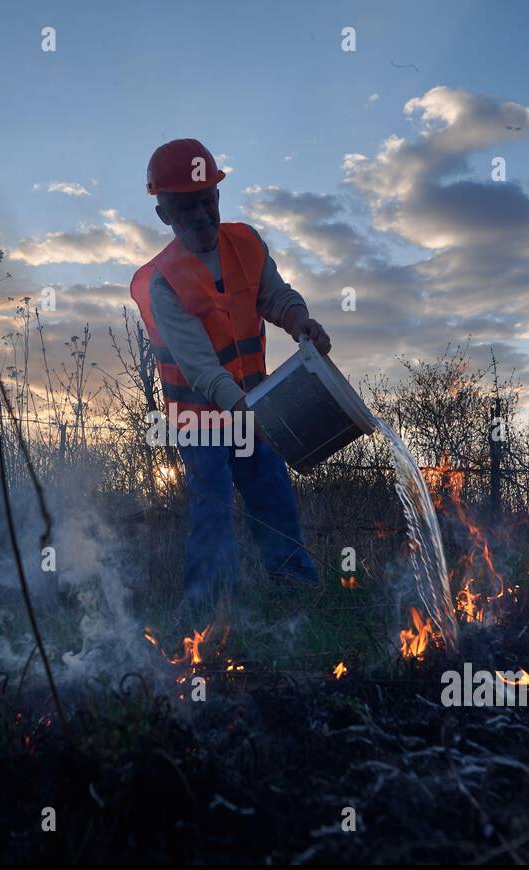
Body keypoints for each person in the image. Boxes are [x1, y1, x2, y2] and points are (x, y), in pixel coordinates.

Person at [129, 138, 331, 608]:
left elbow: (274, 295)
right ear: (164, 214)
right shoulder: (164, 282)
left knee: (272, 493)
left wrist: (299, 319)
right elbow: (200, 366)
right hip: (200, 418)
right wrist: (244, 409)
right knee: (214, 506)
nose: (201, 215)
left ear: (217, 196)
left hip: (252, 406)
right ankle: (208, 610)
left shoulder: (246, 243)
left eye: (207, 201)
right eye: (186, 207)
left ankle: (296, 596)